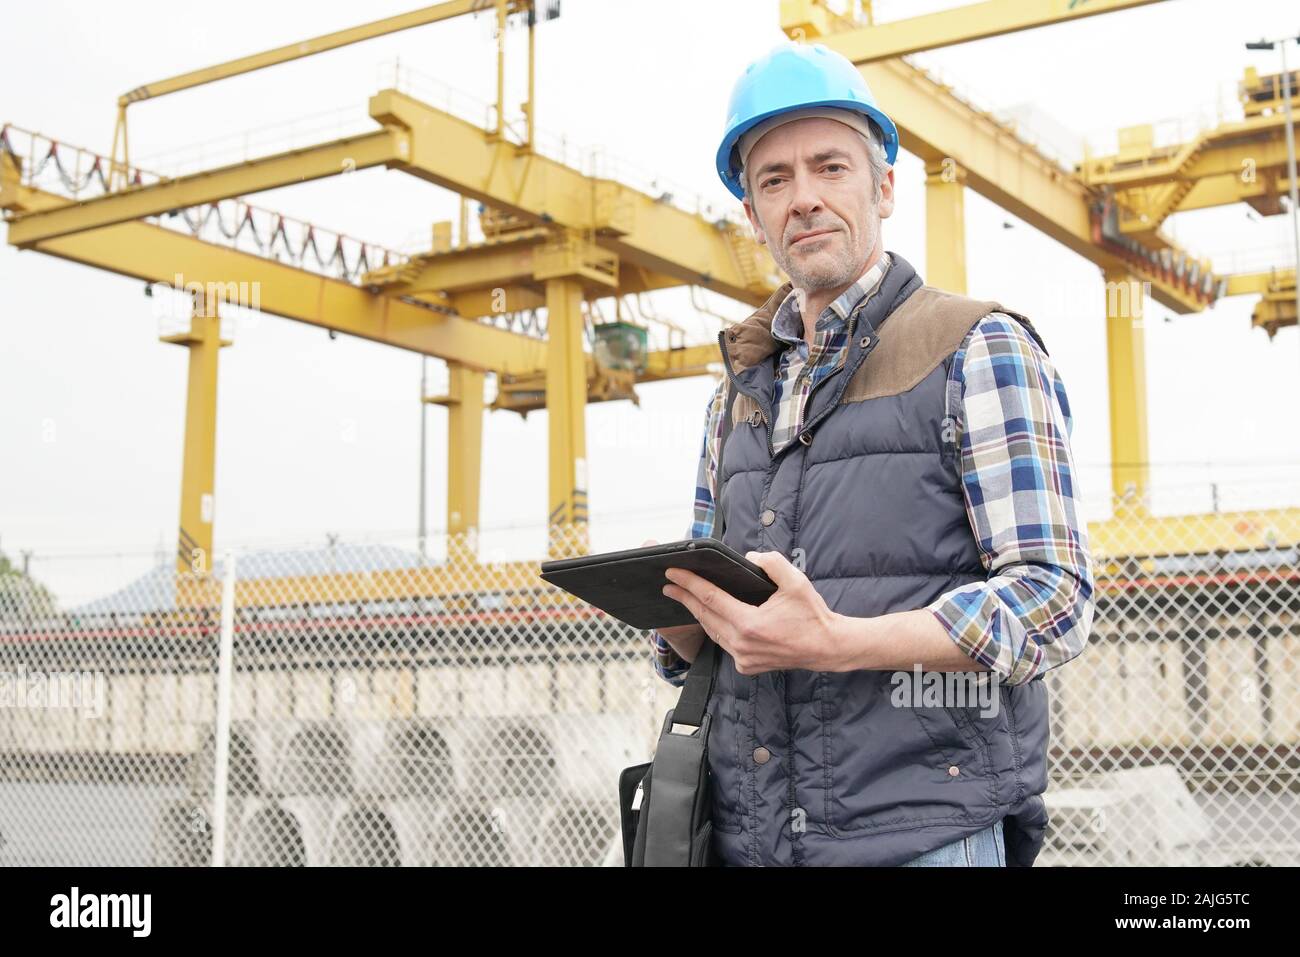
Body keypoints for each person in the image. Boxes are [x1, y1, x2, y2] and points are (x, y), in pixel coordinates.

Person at [644, 42, 1094, 867]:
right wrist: (678, 620)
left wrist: (839, 640)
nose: (804, 198)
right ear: (752, 214)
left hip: (920, 836)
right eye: (774, 180)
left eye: (830, 167)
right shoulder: (736, 391)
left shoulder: (977, 348)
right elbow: (721, 646)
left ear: (884, 186)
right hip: (751, 841)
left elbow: (1053, 599)